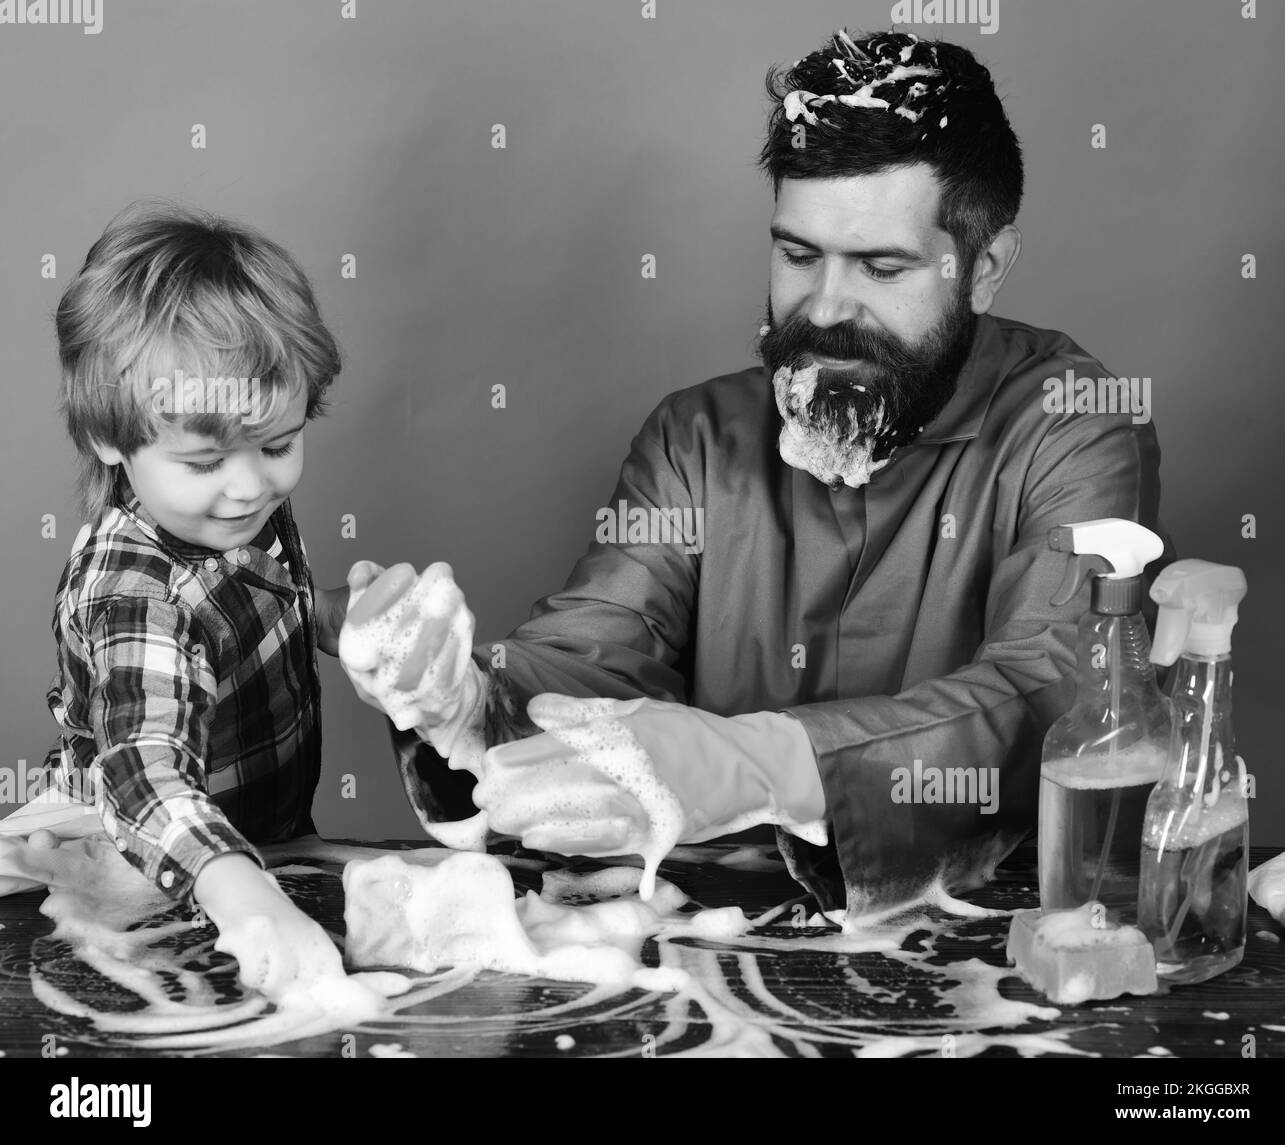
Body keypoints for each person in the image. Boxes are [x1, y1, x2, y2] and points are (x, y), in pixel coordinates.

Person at [340, 30, 1172, 918]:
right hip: (703, 932)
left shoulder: (1077, 425)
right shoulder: (697, 436)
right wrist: (470, 697)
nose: (824, 308)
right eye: (798, 255)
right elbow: (600, 651)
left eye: (881, 267)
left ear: (985, 267)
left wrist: (765, 762)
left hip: (996, 935)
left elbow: (1048, 692)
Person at [30, 202, 360, 995]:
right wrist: (244, 896)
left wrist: (331, 614)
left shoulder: (229, 500)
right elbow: (145, 774)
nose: (250, 485)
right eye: (207, 460)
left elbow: (245, 606)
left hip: (253, 846)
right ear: (110, 439)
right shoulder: (132, 592)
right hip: (129, 875)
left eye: (278, 445)